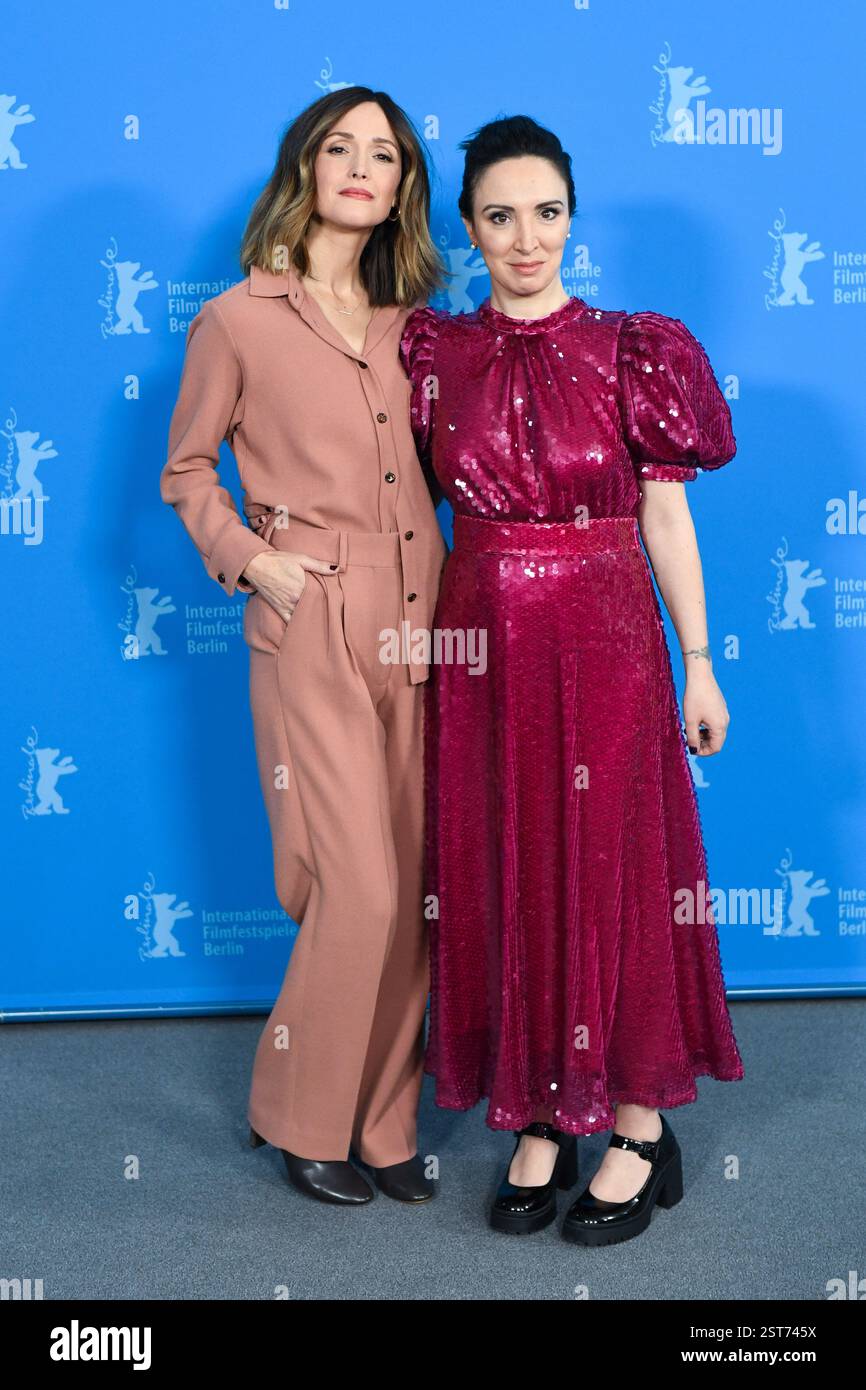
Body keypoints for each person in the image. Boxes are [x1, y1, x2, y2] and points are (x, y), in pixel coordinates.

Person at [399, 114, 745, 1244]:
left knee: (616, 870)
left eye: (544, 212)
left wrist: (697, 660)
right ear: (467, 229)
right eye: (499, 217)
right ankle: (541, 1110)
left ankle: (639, 1122)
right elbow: (393, 506)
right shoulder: (430, 356)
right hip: (483, 647)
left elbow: (663, 511)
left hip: (605, 642)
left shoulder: (633, 348)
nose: (524, 238)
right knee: (508, 867)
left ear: (570, 217)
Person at [160, 88, 448, 1206]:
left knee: (417, 884)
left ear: (403, 186)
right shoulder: (236, 318)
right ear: (305, 165)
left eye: (385, 153)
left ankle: (382, 1124)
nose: (362, 167)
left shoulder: (414, 325)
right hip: (310, 608)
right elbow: (187, 472)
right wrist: (254, 561)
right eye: (341, 147)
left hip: (424, 613)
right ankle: (296, 1112)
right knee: (356, 887)